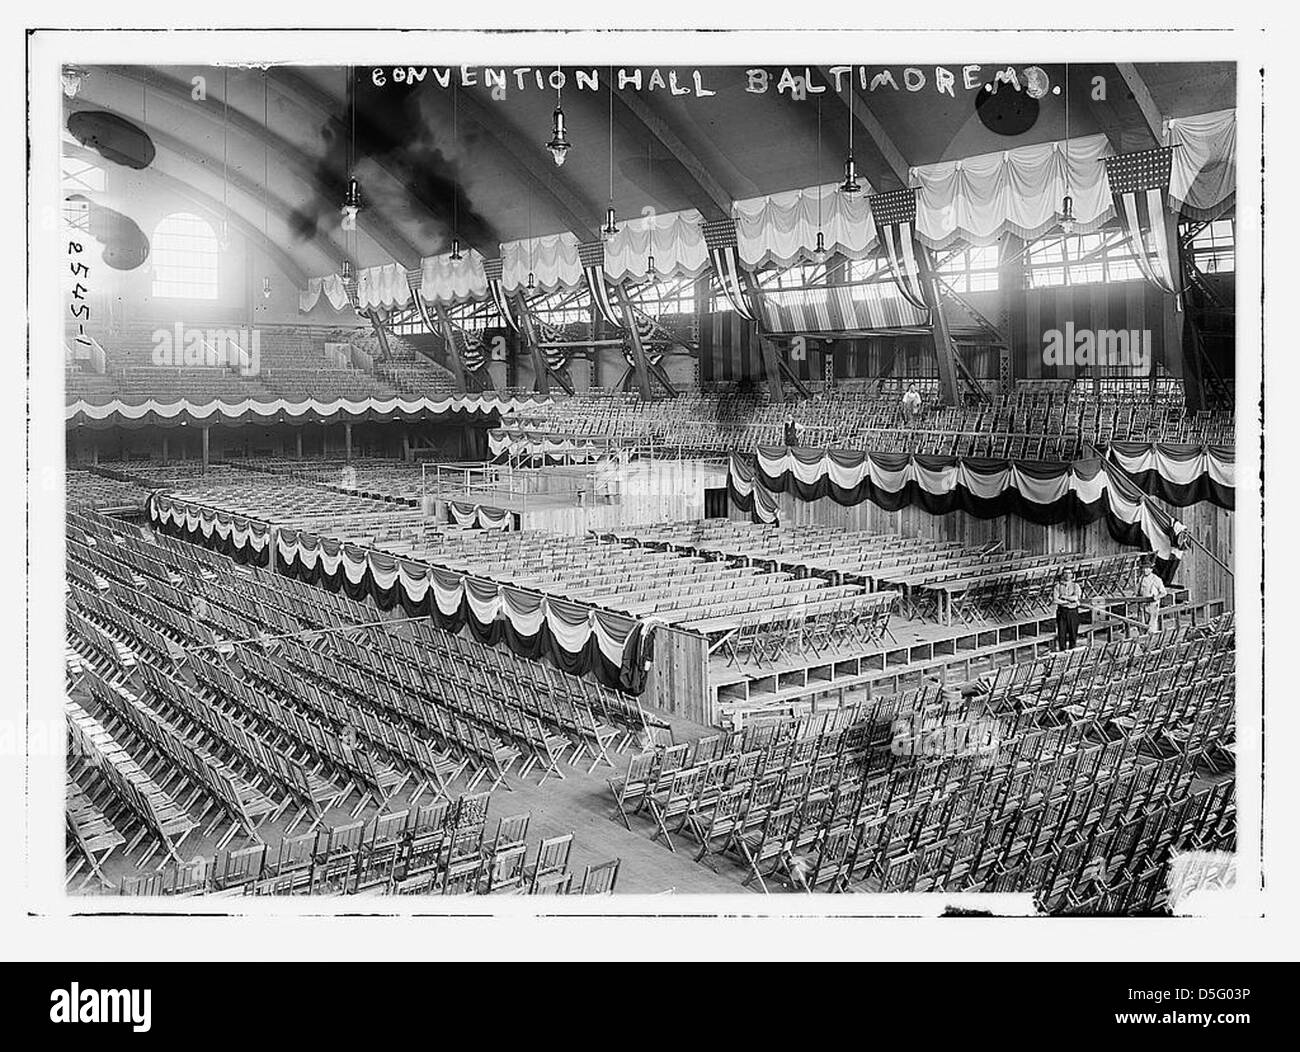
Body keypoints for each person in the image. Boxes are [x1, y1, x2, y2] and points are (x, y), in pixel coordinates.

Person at [1053, 567, 1083, 651]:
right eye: (1065, 573)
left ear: (1072, 575)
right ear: (1062, 575)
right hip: (1062, 611)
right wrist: (1067, 602)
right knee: (1061, 634)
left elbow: (1076, 598)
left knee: (1073, 633)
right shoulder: (1058, 586)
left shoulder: (1075, 586)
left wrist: (1064, 597)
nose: (1067, 575)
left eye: (1069, 573)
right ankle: (1062, 652)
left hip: (1073, 612)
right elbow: (1055, 600)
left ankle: (1072, 651)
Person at [1137, 559, 1167, 634]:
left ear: (1151, 569)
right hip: (1142, 605)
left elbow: (1164, 592)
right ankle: (1142, 642)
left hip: (1152, 605)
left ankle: (1151, 642)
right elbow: (1136, 592)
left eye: (1147, 568)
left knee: (1151, 626)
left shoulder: (1156, 579)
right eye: (1144, 568)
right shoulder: (1141, 579)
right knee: (1141, 625)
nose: (1145, 570)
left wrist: (1156, 597)